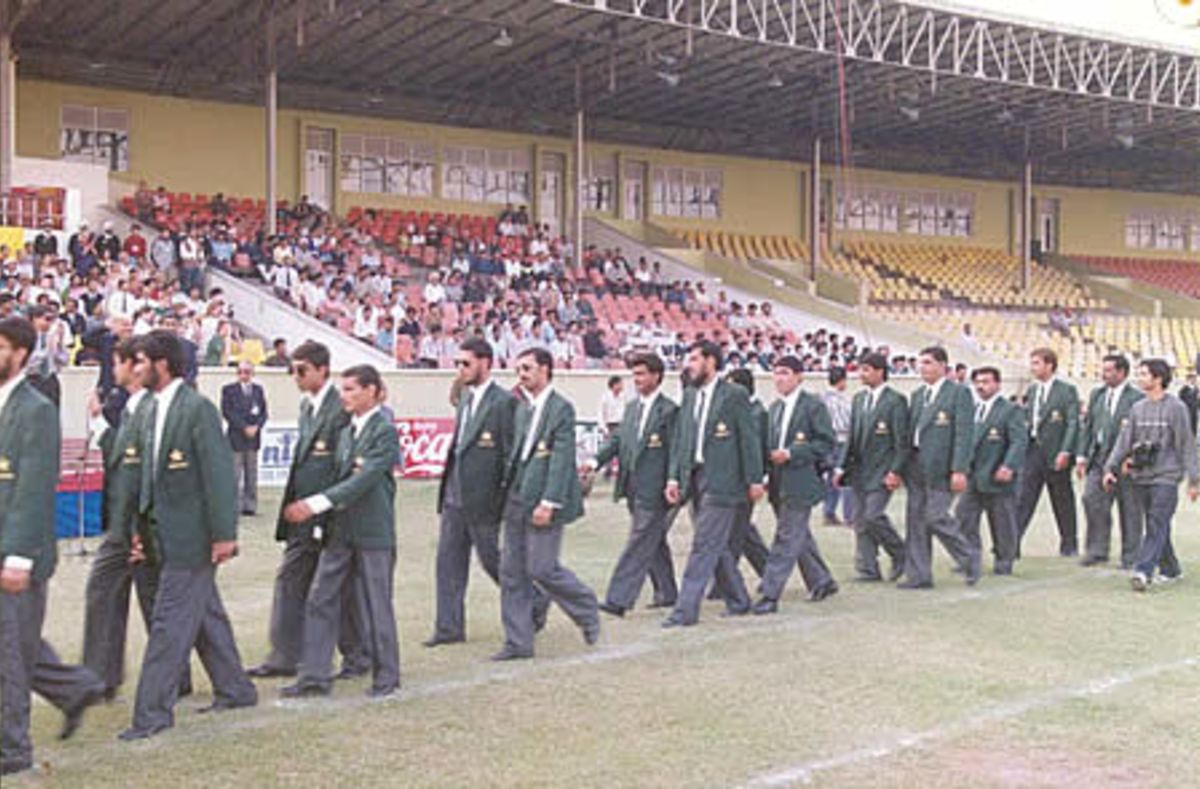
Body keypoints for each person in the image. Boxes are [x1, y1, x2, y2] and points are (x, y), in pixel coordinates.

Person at [118, 330, 257, 741]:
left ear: (162, 364)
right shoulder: (146, 410)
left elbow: (217, 475)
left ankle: (152, 713)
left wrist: (223, 534)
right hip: (156, 536)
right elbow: (144, 476)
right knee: (206, 618)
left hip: (191, 539)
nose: (135, 367)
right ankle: (236, 688)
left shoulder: (196, 409)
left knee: (169, 624)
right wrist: (136, 532)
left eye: (141, 361)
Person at [0, 318, 105, 776]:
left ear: (20, 353)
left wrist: (19, 558)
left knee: (7, 654)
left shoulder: (35, 410)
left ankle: (12, 751)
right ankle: (75, 687)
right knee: (15, 644)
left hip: (17, 553)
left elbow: (34, 489)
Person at [247, 341, 368, 681]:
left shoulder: (340, 408)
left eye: (302, 370)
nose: (295, 377)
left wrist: (327, 509)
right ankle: (285, 654)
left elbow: (345, 465)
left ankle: (358, 655)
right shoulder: (308, 407)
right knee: (292, 580)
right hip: (303, 512)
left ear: (322, 370)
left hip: (328, 512)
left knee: (335, 589)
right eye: (292, 370)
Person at [281, 365, 402, 697]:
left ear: (373, 391)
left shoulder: (384, 431)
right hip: (340, 532)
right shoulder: (347, 432)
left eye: (351, 389)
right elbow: (339, 477)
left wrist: (315, 504)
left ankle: (387, 676)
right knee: (321, 598)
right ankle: (313, 677)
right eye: (343, 389)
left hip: (373, 534)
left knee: (377, 604)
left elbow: (362, 481)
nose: (344, 396)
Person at [81, 337, 192, 700]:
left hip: (138, 522)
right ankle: (103, 676)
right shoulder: (131, 404)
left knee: (148, 596)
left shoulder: (147, 406)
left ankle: (164, 675)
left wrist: (99, 425)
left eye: (118, 363)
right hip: (126, 521)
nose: (113, 371)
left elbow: (135, 462)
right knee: (117, 594)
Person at [493, 348, 600, 661]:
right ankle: (518, 642)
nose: (521, 374)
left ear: (545, 370)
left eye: (527, 368)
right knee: (511, 573)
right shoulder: (521, 408)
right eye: (518, 368)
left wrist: (549, 501)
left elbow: (561, 459)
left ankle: (586, 609)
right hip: (516, 497)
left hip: (543, 500)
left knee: (542, 568)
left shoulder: (561, 408)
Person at [425, 338, 525, 647]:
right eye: (457, 363)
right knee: (448, 564)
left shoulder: (505, 403)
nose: (460, 369)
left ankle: (534, 602)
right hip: (455, 496)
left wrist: (505, 498)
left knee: (494, 562)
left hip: (485, 499)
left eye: (465, 363)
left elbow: (511, 454)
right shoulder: (466, 399)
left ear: (486, 363)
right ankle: (448, 628)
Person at [662, 340, 765, 627]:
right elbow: (682, 441)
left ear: (711, 362)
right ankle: (739, 599)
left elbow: (748, 440)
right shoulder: (690, 396)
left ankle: (685, 611)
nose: (688, 365)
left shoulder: (734, 395)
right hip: (693, 478)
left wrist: (755, 479)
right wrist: (674, 477)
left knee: (704, 543)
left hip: (723, 480)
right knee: (716, 545)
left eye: (694, 359)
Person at [585, 353, 679, 617]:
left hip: (656, 488)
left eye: (641, 374)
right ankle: (668, 592)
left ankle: (618, 598)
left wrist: (673, 480)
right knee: (654, 540)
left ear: (656, 376)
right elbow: (617, 442)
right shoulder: (631, 408)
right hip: (632, 486)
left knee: (639, 541)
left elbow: (676, 451)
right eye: (634, 374)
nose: (636, 379)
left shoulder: (669, 410)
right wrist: (594, 462)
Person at [1105, 359, 1200, 592]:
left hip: (1166, 477)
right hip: (1142, 476)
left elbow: (1186, 444)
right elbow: (1124, 441)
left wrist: (1194, 479)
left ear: (1158, 378)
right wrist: (1110, 467)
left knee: (1157, 521)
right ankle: (1170, 569)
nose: (1139, 377)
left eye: (1144, 374)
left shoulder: (1176, 407)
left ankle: (1143, 570)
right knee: (1157, 523)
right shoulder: (1138, 408)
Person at [752, 356, 837, 614]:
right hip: (778, 483)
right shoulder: (775, 408)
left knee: (786, 537)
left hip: (800, 482)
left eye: (785, 372)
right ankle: (822, 580)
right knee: (799, 535)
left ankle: (769, 593)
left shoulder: (813, 406)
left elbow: (825, 443)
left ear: (799, 376)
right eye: (776, 373)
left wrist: (792, 453)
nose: (779, 378)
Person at [899, 346, 979, 589]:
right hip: (915, 466)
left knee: (935, 517)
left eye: (928, 362)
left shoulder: (958, 394)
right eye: (919, 363)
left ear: (943, 366)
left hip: (942, 468)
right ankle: (919, 575)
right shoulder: (918, 395)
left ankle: (968, 556)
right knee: (915, 522)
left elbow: (965, 434)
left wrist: (960, 469)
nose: (922, 367)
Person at [836, 352, 907, 583]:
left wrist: (895, 471)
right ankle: (867, 569)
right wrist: (840, 467)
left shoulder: (895, 400)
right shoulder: (858, 399)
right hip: (859, 471)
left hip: (882, 471)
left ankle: (901, 553)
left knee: (874, 515)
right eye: (860, 369)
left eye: (866, 369)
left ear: (879, 371)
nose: (861, 374)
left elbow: (901, 442)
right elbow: (851, 438)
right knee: (860, 521)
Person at [956, 367, 1027, 575]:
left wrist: (1009, 466)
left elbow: (1019, 441)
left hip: (997, 475)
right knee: (964, 517)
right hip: (973, 475)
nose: (981, 386)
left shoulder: (1010, 410)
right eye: (977, 382)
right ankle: (970, 559)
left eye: (986, 382)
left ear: (997, 384)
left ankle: (1004, 560)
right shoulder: (969, 409)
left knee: (1002, 522)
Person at [1077, 354, 1144, 569]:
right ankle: (1097, 550)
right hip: (1099, 460)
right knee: (1091, 500)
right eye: (1103, 369)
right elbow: (1088, 427)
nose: (1103, 374)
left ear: (1122, 372)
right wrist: (1082, 455)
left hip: (1125, 463)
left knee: (1129, 509)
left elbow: (1141, 433)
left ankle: (1131, 556)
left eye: (1108, 370)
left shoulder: (1136, 398)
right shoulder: (1097, 394)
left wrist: (1133, 458)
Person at [1016, 348, 1080, 557]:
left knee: (1061, 499)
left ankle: (1069, 543)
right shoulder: (1033, 390)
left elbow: (1072, 423)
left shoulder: (1066, 390)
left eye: (1036, 363)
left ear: (1049, 365)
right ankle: (1012, 541)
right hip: (1033, 450)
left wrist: (1066, 450)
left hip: (1056, 451)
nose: (1032, 367)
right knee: (1024, 497)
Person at [221, 361, 269, 516]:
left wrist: (256, 427)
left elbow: (263, 412)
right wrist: (244, 427)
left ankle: (250, 505)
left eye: (247, 372)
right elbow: (227, 412)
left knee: (251, 474)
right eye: (241, 371)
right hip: (236, 438)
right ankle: (233, 505)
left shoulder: (258, 390)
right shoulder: (229, 390)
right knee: (234, 474)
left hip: (253, 439)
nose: (244, 375)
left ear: (252, 373)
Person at [822, 366, 854, 526]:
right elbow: (848, 422)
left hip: (826, 442)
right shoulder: (842, 401)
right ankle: (850, 516)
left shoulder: (821, 399)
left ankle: (829, 512)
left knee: (829, 480)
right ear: (841, 381)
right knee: (845, 478)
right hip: (841, 440)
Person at [597, 375, 626, 478]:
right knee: (608, 449)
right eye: (619, 383)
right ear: (614, 385)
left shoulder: (624, 397)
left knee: (622, 450)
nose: (622, 386)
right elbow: (601, 413)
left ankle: (622, 471)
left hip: (621, 425)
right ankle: (607, 470)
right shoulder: (605, 397)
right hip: (610, 425)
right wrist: (604, 428)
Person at [1179, 372, 1198, 437]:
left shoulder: (1196, 389)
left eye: (1194, 379)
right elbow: (1181, 400)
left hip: (1194, 410)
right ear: (1188, 380)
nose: (1194, 380)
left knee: (1194, 424)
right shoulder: (1183, 390)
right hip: (1187, 410)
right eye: (1192, 379)